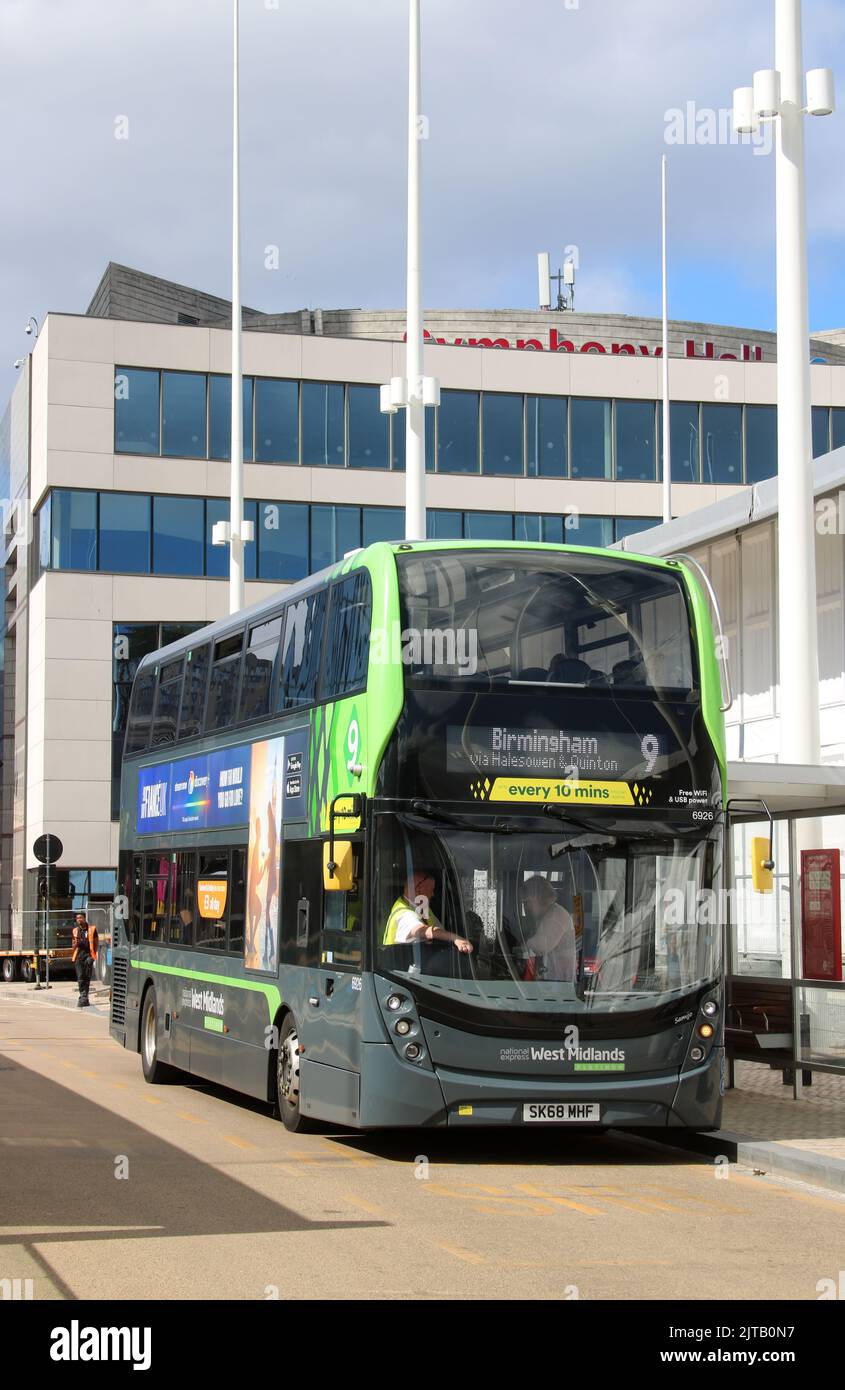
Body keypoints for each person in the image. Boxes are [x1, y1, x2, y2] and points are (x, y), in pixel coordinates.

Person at [383, 868, 473, 954]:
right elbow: (421, 931)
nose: (433, 894)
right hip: (402, 966)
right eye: (431, 890)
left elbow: (440, 931)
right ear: (419, 890)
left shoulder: (423, 909)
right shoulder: (404, 914)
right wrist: (455, 938)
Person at [521, 876, 575, 981]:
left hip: (559, 983)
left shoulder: (557, 915)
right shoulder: (546, 915)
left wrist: (524, 943)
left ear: (538, 898)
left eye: (527, 902)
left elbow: (541, 945)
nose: (526, 907)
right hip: (552, 980)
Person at [71, 912, 99, 1008]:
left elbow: (96, 944)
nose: (79, 919)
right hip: (79, 957)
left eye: (80, 917)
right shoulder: (75, 930)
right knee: (80, 977)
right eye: (77, 918)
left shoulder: (92, 929)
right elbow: (73, 946)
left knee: (87, 977)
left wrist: (93, 956)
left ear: (84, 918)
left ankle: (84, 996)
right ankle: (83, 996)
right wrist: (75, 944)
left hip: (88, 956)